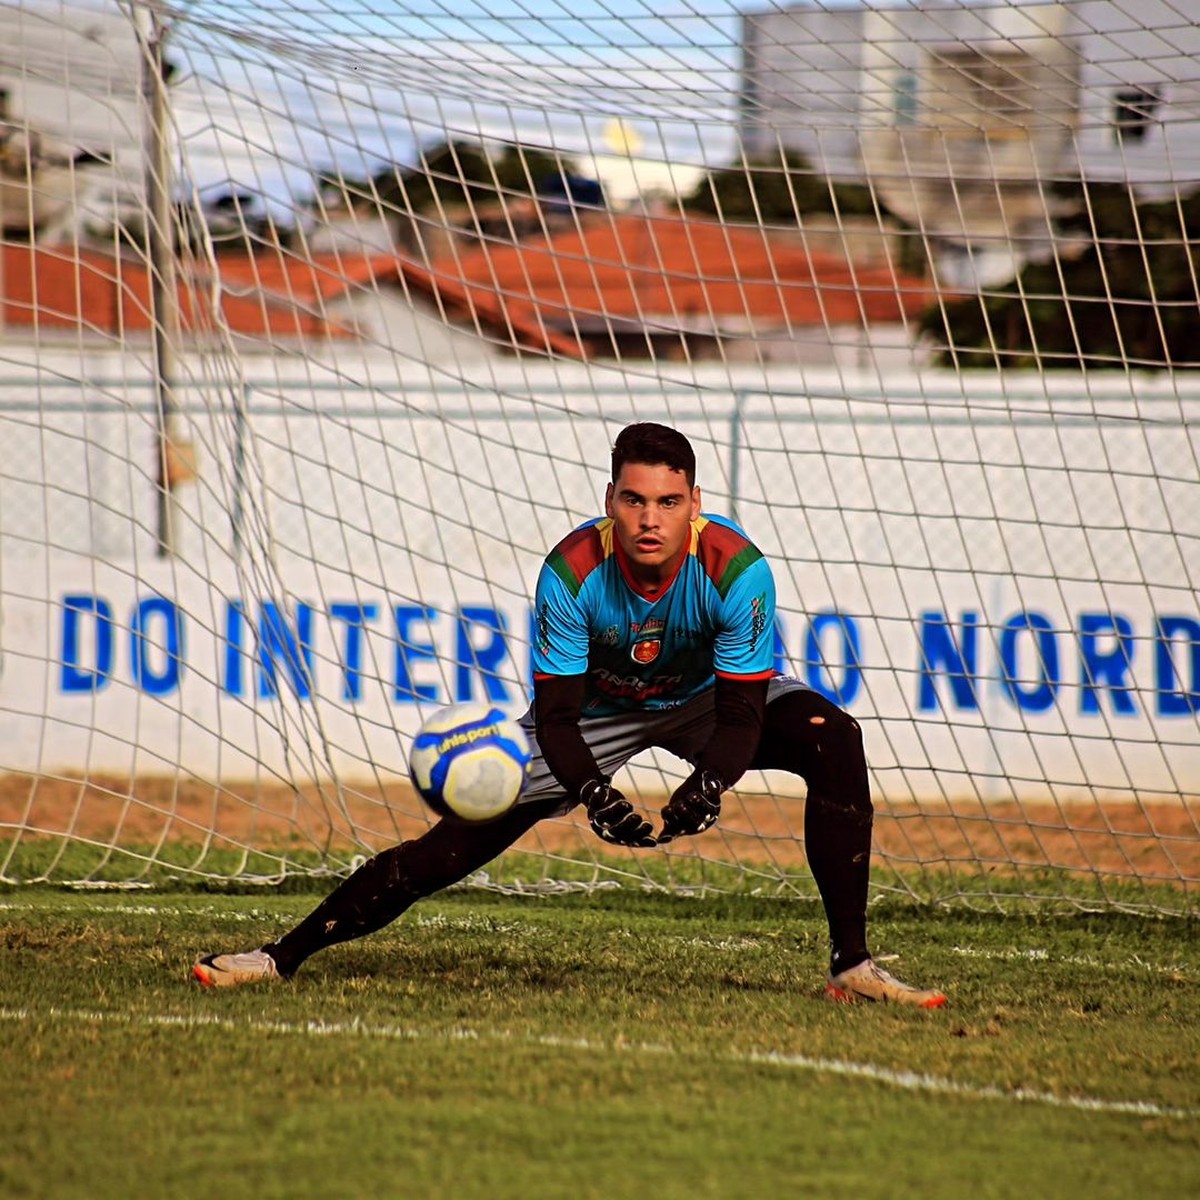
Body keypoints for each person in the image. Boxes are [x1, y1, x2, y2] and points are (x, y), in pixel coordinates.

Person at [194, 422, 946, 1007]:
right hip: (594, 713)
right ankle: (279, 957)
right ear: (610, 501)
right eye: (634, 499)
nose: (650, 518)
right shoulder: (571, 571)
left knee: (834, 738)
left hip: (704, 703)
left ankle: (852, 966)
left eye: (669, 502)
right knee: (449, 849)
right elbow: (555, 718)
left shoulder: (737, 569)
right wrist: (593, 793)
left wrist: (711, 783)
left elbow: (744, 712)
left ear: (695, 507)